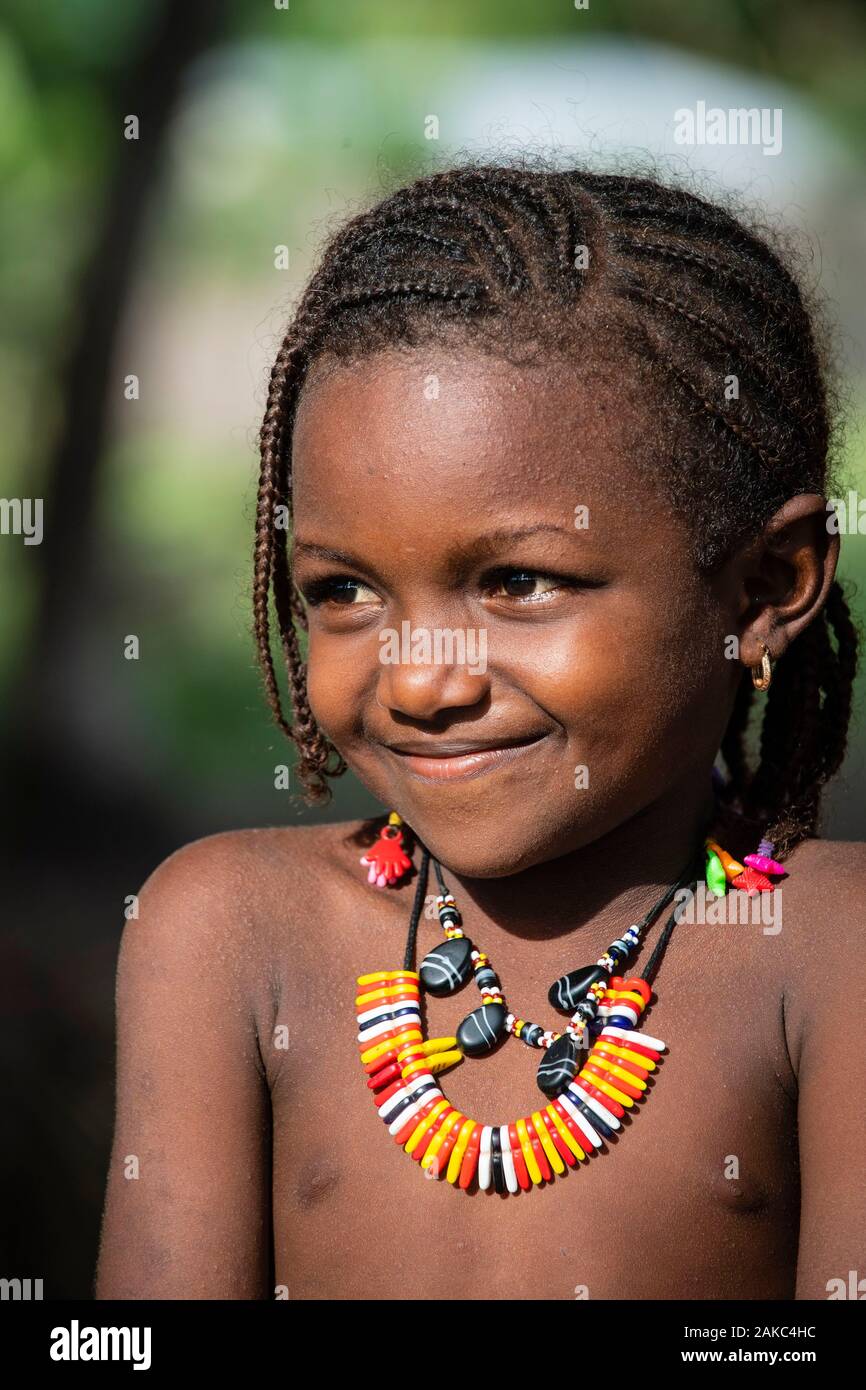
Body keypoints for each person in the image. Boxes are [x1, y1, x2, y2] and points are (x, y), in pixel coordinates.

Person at [95, 162, 865, 1300]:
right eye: (344, 590)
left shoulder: (825, 952)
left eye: (516, 581)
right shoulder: (226, 933)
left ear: (761, 589)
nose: (419, 681)